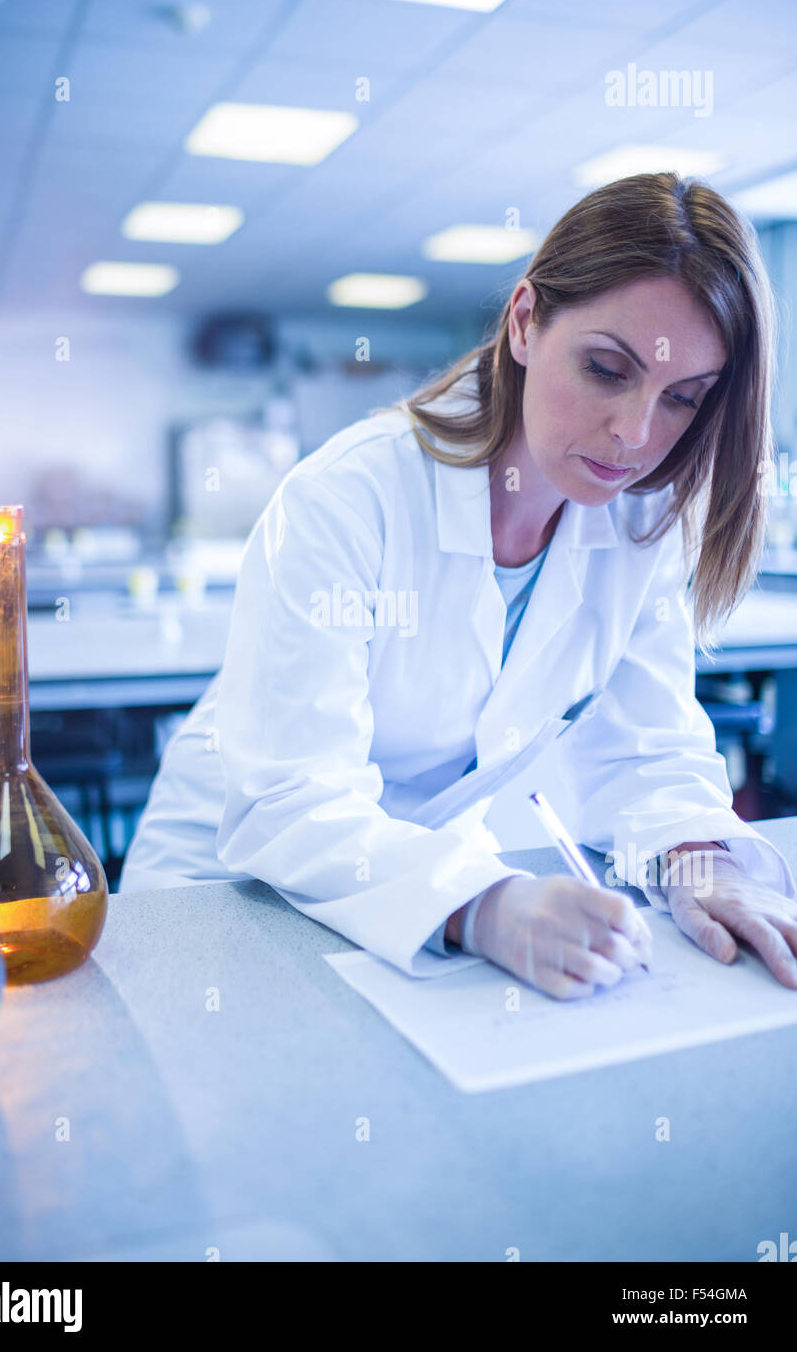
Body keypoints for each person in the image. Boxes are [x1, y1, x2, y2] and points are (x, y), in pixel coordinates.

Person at [120, 172, 797, 1000]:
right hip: (225, 894)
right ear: (524, 323)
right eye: (606, 369)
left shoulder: (635, 525)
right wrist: (483, 905)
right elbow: (292, 799)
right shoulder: (346, 498)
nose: (636, 435)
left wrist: (701, 862)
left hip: (420, 898)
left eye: (683, 399)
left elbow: (646, 747)